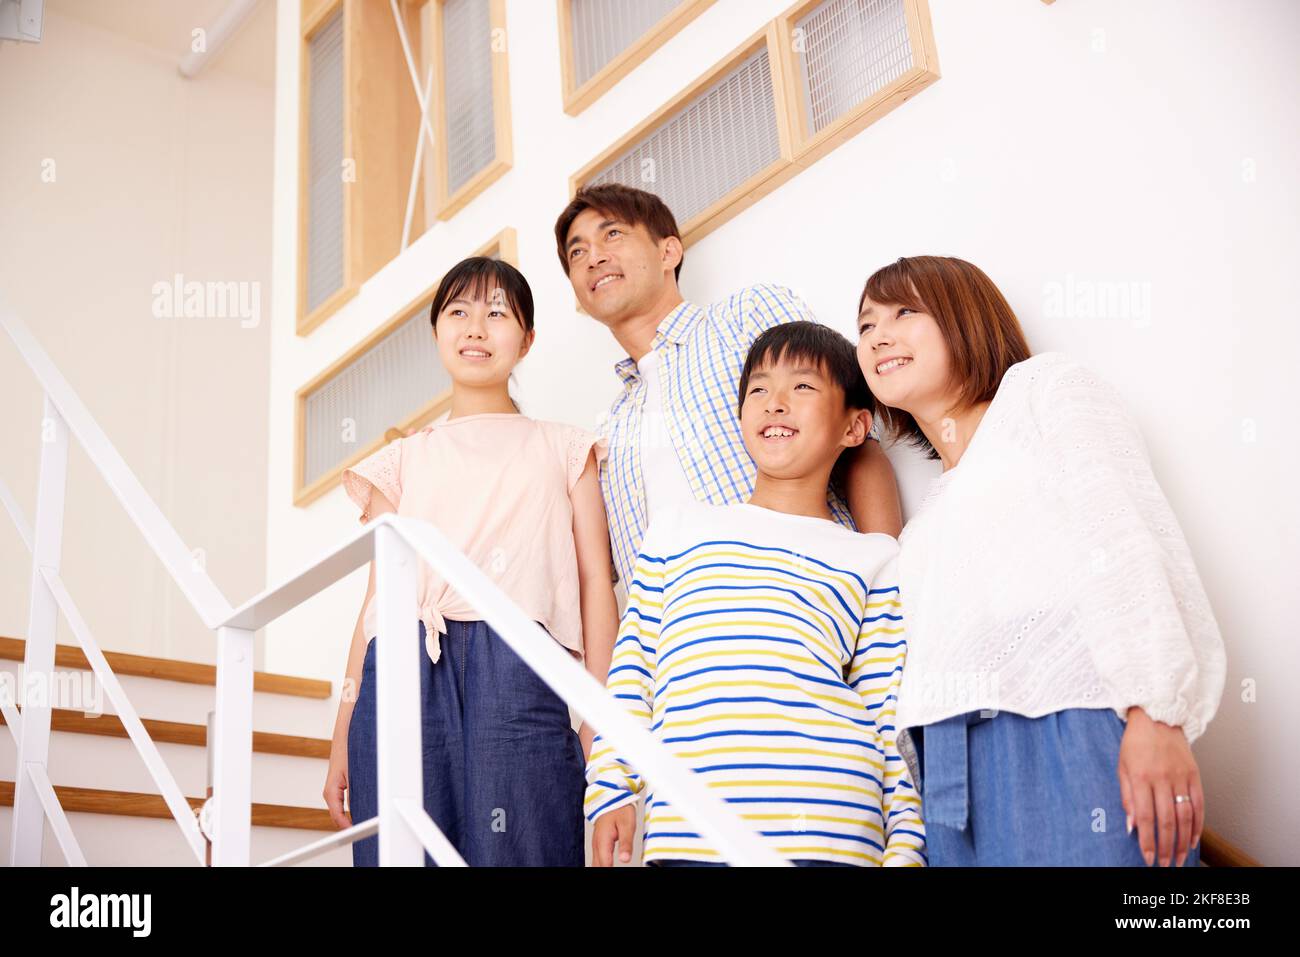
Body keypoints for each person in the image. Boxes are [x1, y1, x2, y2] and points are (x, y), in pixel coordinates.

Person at [856, 255, 1226, 867]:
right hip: (946, 779)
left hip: (1059, 730)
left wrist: (1156, 710)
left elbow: (1122, 531)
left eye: (904, 311)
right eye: (866, 325)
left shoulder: (1044, 390)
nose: (878, 336)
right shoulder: (926, 521)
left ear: (966, 320)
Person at [585, 322, 926, 866]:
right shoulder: (677, 531)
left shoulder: (873, 558)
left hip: (834, 831)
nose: (775, 404)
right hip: (691, 833)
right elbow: (633, 674)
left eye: (803, 388)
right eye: (758, 390)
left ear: (854, 426)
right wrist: (610, 790)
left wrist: (906, 849)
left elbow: (888, 715)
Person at [322, 257, 619, 866]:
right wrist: (342, 734)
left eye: (496, 314)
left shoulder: (566, 448)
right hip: (403, 664)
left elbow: (595, 582)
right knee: (402, 855)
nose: (476, 329)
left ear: (528, 339)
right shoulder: (400, 462)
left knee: (526, 845)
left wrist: (600, 718)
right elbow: (375, 604)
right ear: (436, 334)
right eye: (458, 312)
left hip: (519, 666)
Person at [554, 184, 902, 592]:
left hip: (807, 603)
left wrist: (889, 592)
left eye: (612, 234)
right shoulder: (611, 427)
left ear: (668, 252)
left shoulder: (747, 316)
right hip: (684, 644)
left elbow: (860, 444)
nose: (594, 257)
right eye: (577, 252)